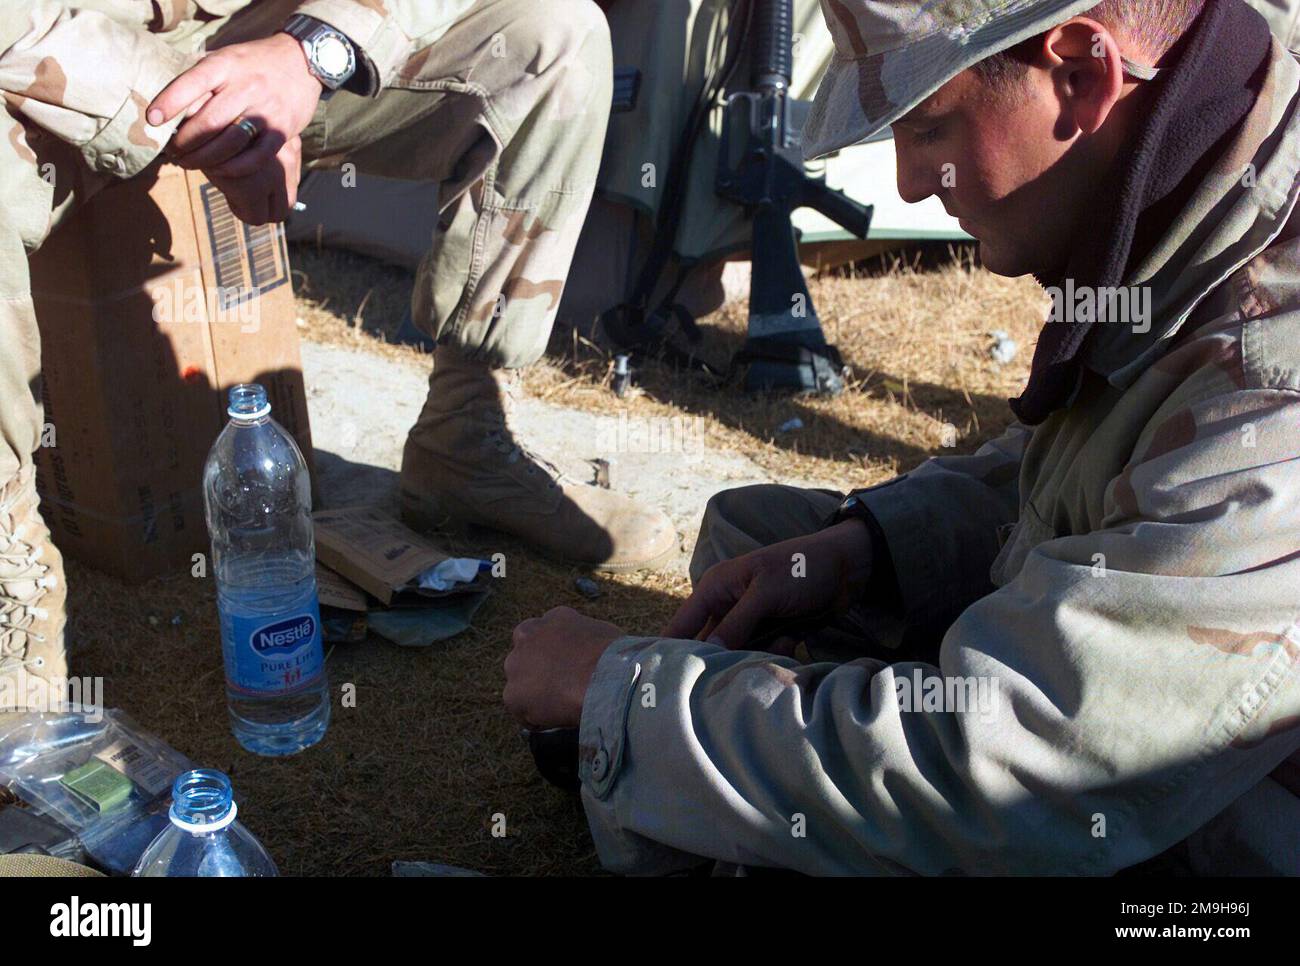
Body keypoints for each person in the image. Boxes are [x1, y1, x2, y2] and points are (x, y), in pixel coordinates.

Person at [503, 0, 1300, 875]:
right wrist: (866, 550)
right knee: (764, 536)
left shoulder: (1273, 378)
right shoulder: (1196, 206)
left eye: (928, 127)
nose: (913, 183)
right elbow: (1095, 460)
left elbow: (1008, 775)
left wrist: (621, 699)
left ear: (1080, 76)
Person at [1, 0, 677, 710]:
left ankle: (466, 430)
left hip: (247, 40)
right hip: (54, 60)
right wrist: (211, 114)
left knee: (555, 36)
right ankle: (16, 590)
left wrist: (313, 49)